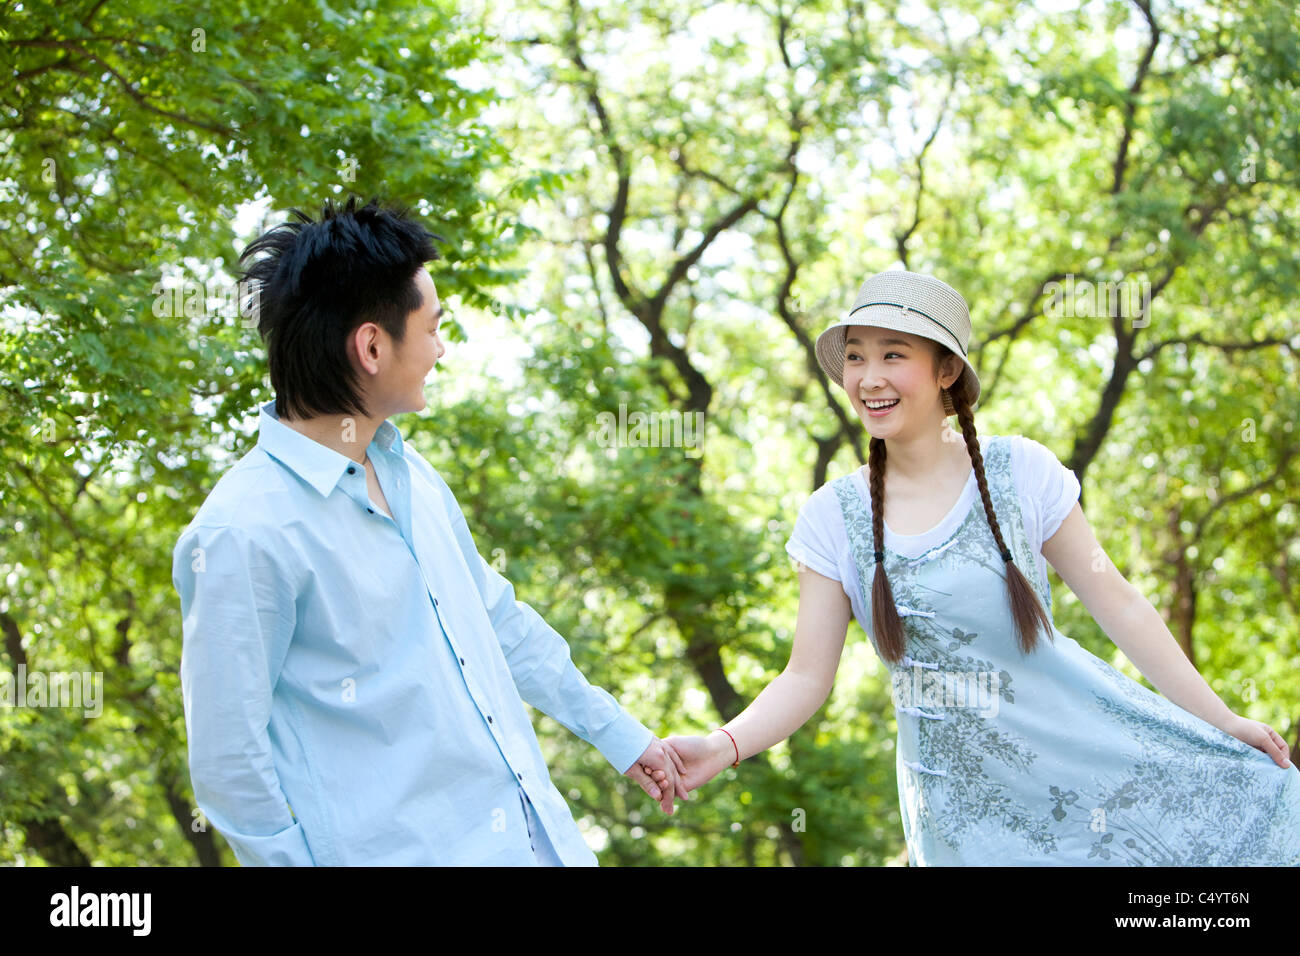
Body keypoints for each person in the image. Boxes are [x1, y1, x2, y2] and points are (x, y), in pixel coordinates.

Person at [662, 269, 1300, 865]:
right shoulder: (833, 518)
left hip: (1091, 778)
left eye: (893, 354)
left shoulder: (1020, 472)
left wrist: (1224, 721)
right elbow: (805, 677)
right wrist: (722, 746)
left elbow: (1122, 606)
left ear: (944, 371)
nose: (869, 377)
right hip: (961, 825)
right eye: (856, 356)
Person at [172, 196, 685, 866]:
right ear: (372, 346)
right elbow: (228, 764)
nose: (442, 348)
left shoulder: (405, 467)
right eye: (433, 328)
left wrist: (620, 736)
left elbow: (498, 619)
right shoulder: (243, 532)